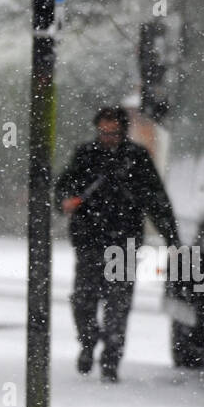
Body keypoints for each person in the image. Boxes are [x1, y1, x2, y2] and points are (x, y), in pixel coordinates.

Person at [55, 106, 181, 381]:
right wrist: (65, 201)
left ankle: (111, 358)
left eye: (113, 132)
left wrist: (172, 238)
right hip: (88, 241)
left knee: (118, 305)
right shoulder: (85, 154)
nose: (108, 137)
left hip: (123, 243)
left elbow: (156, 200)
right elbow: (63, 186)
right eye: (103, 132)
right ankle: (88, 342)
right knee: (83, 302)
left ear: (123, 130)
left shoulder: (137, 158)